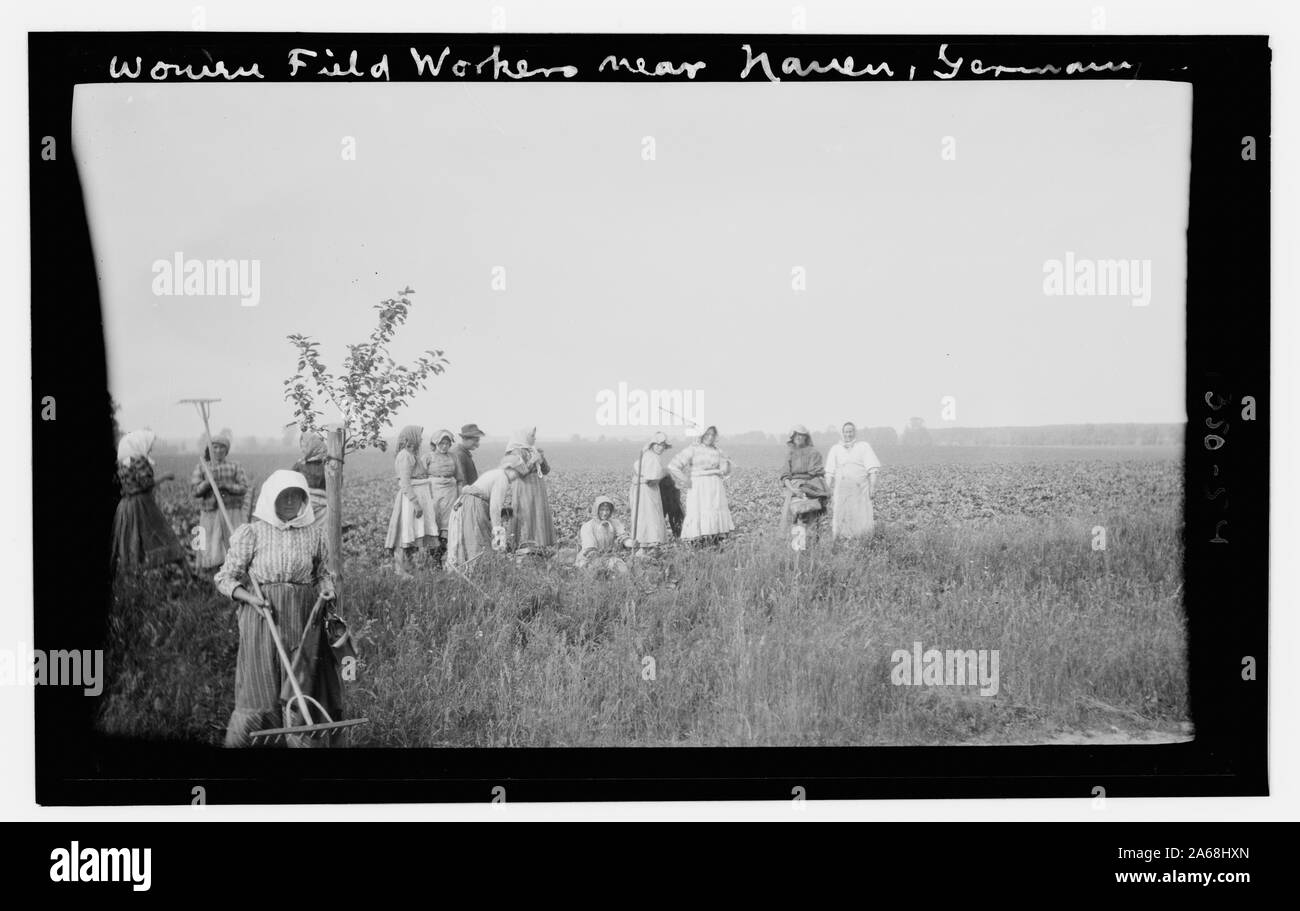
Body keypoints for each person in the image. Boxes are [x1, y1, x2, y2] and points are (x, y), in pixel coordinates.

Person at [214, 469, 340, 748]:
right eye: (284, 496)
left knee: (301, 680)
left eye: (297, 496)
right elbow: (224, 578)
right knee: (261, 683)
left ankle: (299, 739)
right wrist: (249, 598)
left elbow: (321, 573)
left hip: (303, 618)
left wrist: (326, 588)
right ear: (271, 499)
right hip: (263, 617)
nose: (290, 502)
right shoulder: (252, 534)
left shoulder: (313, 535)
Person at [111, 430, 190, 574]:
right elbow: (146, 484)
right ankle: (189, 576)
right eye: (149, 445)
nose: (150, 448)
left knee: (133, 541)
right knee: (166, 537)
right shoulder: (139, 460)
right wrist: (166, 476)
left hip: (126, 506)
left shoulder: (122, 462)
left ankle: (133, 579)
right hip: (142, 505)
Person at [444, 461, 522, 571]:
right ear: (510, 469)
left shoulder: (496, 473)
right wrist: (498, 536)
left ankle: (464, 571)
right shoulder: (502, 478)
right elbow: (495, 508)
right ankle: (476, 572)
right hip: (473, 506)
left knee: (467, 540)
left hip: (465, 503)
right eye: (517, 474)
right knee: (478, 540)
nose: (516, 478)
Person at [383, 425, 438, 577]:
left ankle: (408, 567)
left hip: (418, 496)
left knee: (412, 533)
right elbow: (405, 483)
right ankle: (400, 569)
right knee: (404, 533)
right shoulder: (405, 456)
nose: (421, 439)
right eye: (418, 436)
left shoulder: (412, 455)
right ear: (411, 438)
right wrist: (416, 503)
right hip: (410, 499)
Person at [189, 430, 249, 571]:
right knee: (211, 542)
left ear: (227, 450)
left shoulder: (235, 466)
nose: (218, 450)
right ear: (210, 449)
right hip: (211, 512)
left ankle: (233, 570)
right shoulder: (203, 466)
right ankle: (212, 571)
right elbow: (195, 491)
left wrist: (226, 486)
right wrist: (208, 482)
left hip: (232, 511)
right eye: (215, 447)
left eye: (222, 447)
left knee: (232, 541)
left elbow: (243, 487)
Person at [667, 425, 735, 544]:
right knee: (699, 510)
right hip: (699, 486)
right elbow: (673, 466)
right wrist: (685, 479)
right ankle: (699, 542)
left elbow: (724, 471)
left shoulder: (717, 451)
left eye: (712, 435)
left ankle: (715, 540)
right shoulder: (693, 449)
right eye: (707, 434)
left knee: (715, 510)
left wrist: (727, 462)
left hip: (715, 486)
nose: (710, 437)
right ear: (702, 435)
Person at [824, 422, 882, 539]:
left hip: (860, 490)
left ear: (855, 432)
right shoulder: (836, 449)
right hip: (842, 491)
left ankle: (862, 540)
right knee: (842, 516)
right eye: (846, 432)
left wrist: (872, 488)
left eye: (850, 431)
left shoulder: (864, 447)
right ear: (842, 433)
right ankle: (841, 541)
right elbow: (829, 472)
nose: (848, 434)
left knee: (861, 517)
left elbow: (873, 469)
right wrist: (826, 490)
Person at [504, 427, 556, 551]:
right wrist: (533, 461)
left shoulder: (533, 450)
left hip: (537, 488)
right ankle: (524, 545)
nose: (535, 438)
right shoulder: (515, 453)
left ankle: (540, 545)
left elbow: (546, 470)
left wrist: (541, 460)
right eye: (532, 436)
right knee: (526, 515)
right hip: (524, 488)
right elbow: (521, 472)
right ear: (524, 436)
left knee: (538, 513)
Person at [422, 428, 464, 564]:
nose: (444, 446)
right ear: (435, 443)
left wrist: (459, 498)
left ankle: (440, 558)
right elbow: (420, 477)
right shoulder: (428, 457)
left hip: (450, 493)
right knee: (433, 524)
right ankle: (432, 558)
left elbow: (459, 479)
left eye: (447, 443)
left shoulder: (453, 457)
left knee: (447, 525)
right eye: (441, 443)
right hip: (433, 492)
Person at [779, 424, 830, 530]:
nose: (799, 437)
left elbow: (816, 473)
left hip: (811, 486)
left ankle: (811, 543)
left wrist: (810, 488)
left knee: (811, 518)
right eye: (796, 435)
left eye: (801, 435)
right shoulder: (790, 454)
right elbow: (785, 475)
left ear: (806, 437)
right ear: (792, 437)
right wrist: (793, 489)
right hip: (793, 487)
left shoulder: (814, 452)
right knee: (792, 518)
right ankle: (795, 543)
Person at [628, 432, 672, 547]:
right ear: (652, 445)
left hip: (642, 489)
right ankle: (650, 542)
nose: (660, 447)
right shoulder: (652, 457)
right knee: (649, 514)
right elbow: (652, 480)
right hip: (646, 491)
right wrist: (665, 472)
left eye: (662, 445)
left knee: (643, 515)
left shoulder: (647, 455)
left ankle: (643, 541)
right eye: (657, 444)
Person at [576, 496, 632, 575]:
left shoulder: (615, 523)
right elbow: (589, 549)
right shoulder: (588, 526)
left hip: (609, 556)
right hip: (591, 558)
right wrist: (600, 561)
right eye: (602, 510)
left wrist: (630, 543)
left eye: (607, 510)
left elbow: (622, 537)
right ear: (596, 510)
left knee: (624, 572)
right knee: (596, 573)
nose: (605, 513)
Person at [292, 430, 329, 528]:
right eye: (302, 446)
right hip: (322, 508)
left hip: (307, 509)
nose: (302, 449)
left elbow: (290, 485)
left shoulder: (299, 465)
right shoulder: (329, 465)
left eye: (304, 446)